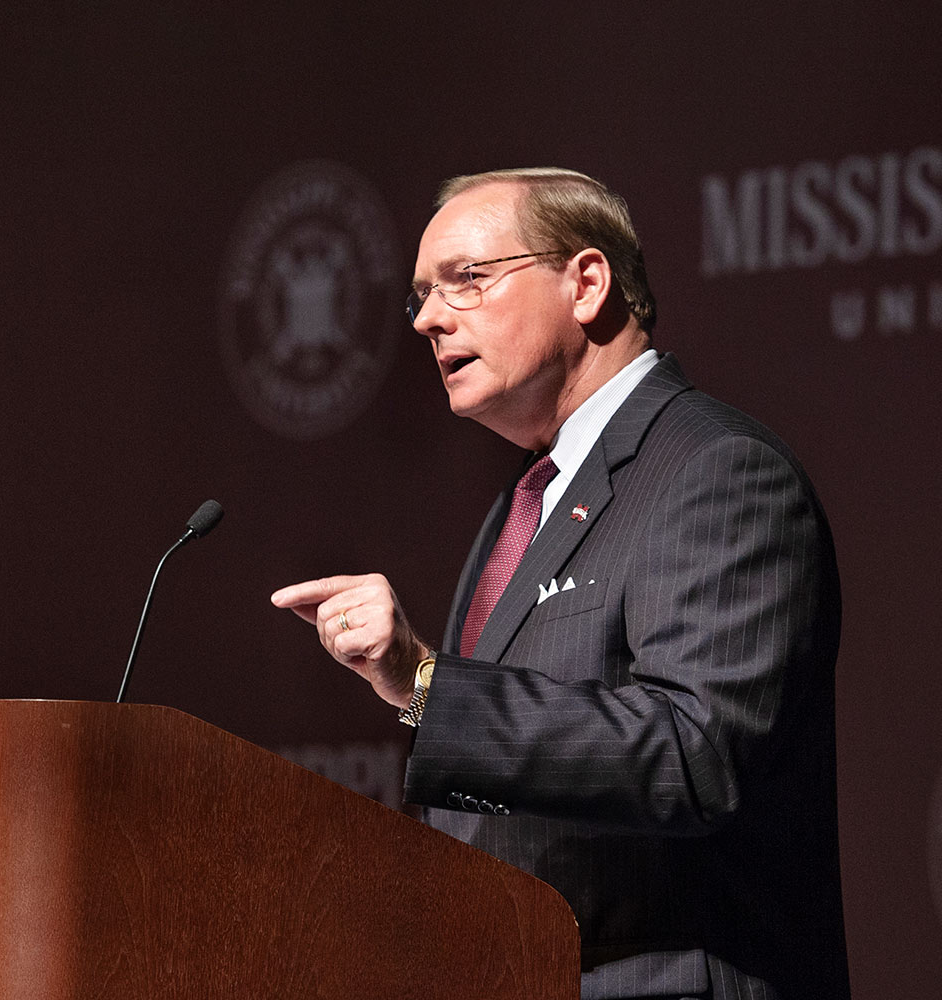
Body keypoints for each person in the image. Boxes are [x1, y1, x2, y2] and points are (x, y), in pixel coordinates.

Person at [271, 168, 848, 1000]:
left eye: (466, 280)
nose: (430, 318)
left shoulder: (719, 471)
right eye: (420, 298)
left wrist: (429, 685)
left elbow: (694, 752)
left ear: (585, 283)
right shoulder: (529, 500)